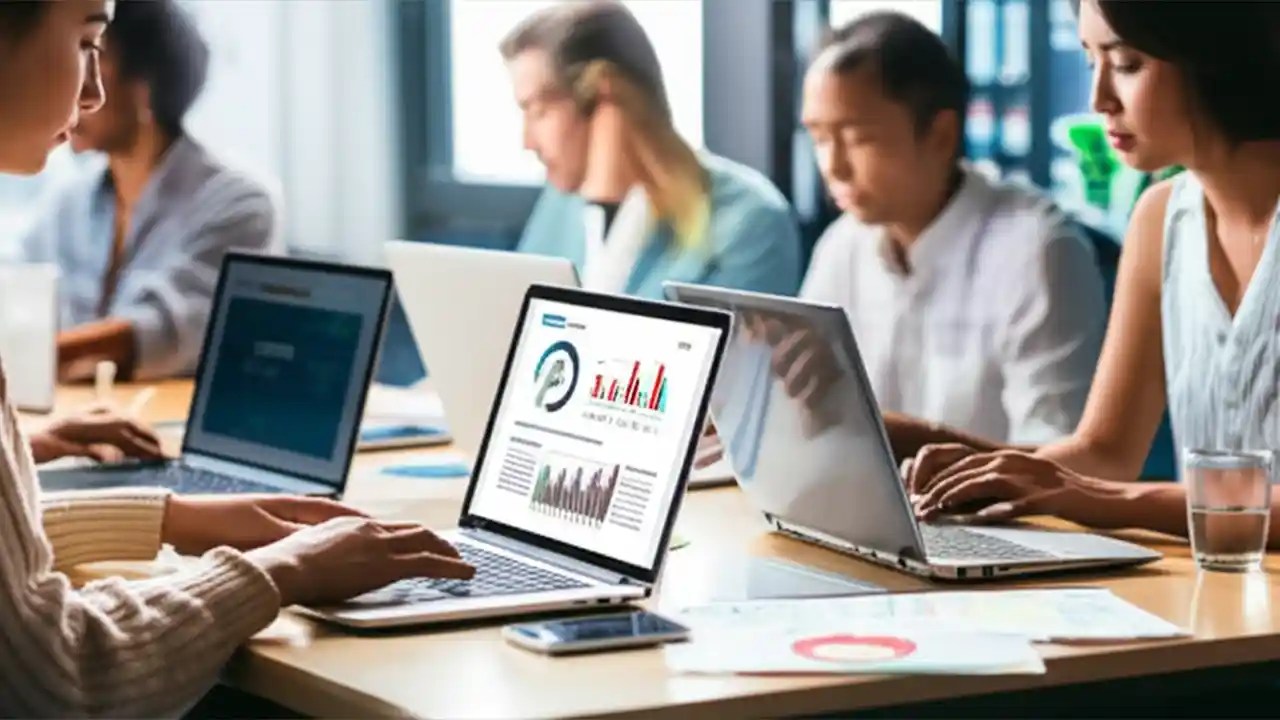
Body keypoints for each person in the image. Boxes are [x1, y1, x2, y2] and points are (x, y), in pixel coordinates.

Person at [0, 2, 473, 715]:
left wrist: (170, 517)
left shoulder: (229, 194)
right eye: (84, 41)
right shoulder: (70, 199)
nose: (91, 90)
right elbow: (60, 676)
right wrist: (277, 571)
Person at [906, 0, 1280, 545]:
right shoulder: (1159, 218)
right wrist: (976, 471)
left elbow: (1107, 486)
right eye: (1090, 63)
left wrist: (1107, 501)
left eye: (1127, 64)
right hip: (1218, 600)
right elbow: (1105, 452)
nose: (1099, 99)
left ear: (1211, 57)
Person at [797, 12, 1107, 450]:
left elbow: (1057, 464)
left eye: (858, 138)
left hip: (994, 518)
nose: (834, 167)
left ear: (941, 134)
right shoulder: (843, 245)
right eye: (819, 138)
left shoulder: (1036, 251)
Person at [20, 0, 281, 383]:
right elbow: (16, 291)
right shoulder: (67, 201)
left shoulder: (239, 201)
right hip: (78, 415)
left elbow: (167, 329)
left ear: (144, 85)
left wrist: (32, 357)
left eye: (93, 54)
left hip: (165, 417)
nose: (77, 91)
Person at [501, 0, 802, 300]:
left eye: (538, 112)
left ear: (603, 90)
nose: (527, 142)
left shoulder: (749, 223)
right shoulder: (560, 207)